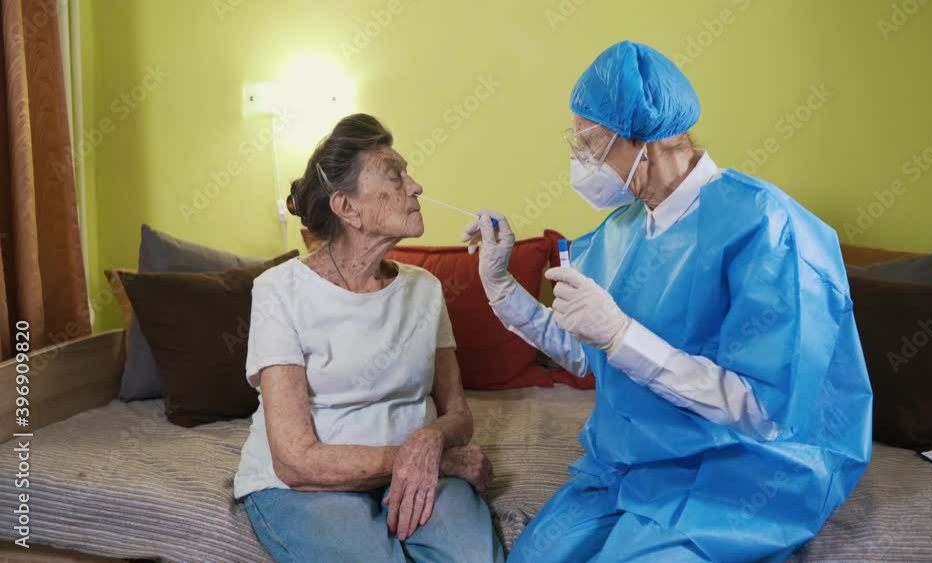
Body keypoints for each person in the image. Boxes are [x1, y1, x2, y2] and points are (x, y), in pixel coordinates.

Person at [463, 41, 872, 562]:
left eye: (590, 144)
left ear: (645, 140)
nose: (580, 161)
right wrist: (500, 286)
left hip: (742, 473)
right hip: (631, 465)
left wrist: (623, 335)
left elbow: (767, 413)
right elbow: (585, 352)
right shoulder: (623, 231)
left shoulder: (768, 226)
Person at [234, 113, 505, 563]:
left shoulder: (425, 288)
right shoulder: (279, 290)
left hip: (420, 468)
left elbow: (458, 415)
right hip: (308, 487)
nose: (416, 186)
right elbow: (295, 460)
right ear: (347, 207)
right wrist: (435, 458)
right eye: (396, 177)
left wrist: (430, 440)